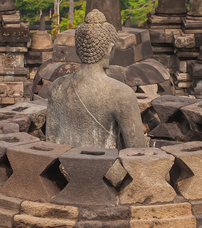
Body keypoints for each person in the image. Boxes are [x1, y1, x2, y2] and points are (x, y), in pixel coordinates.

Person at [46, 10, 146, 149]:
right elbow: (137, 152)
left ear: (78, 48)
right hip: (105, 168)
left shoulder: (57, 87)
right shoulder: (122, 94)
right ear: (109, 50)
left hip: (62, 167)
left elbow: (50, 143)